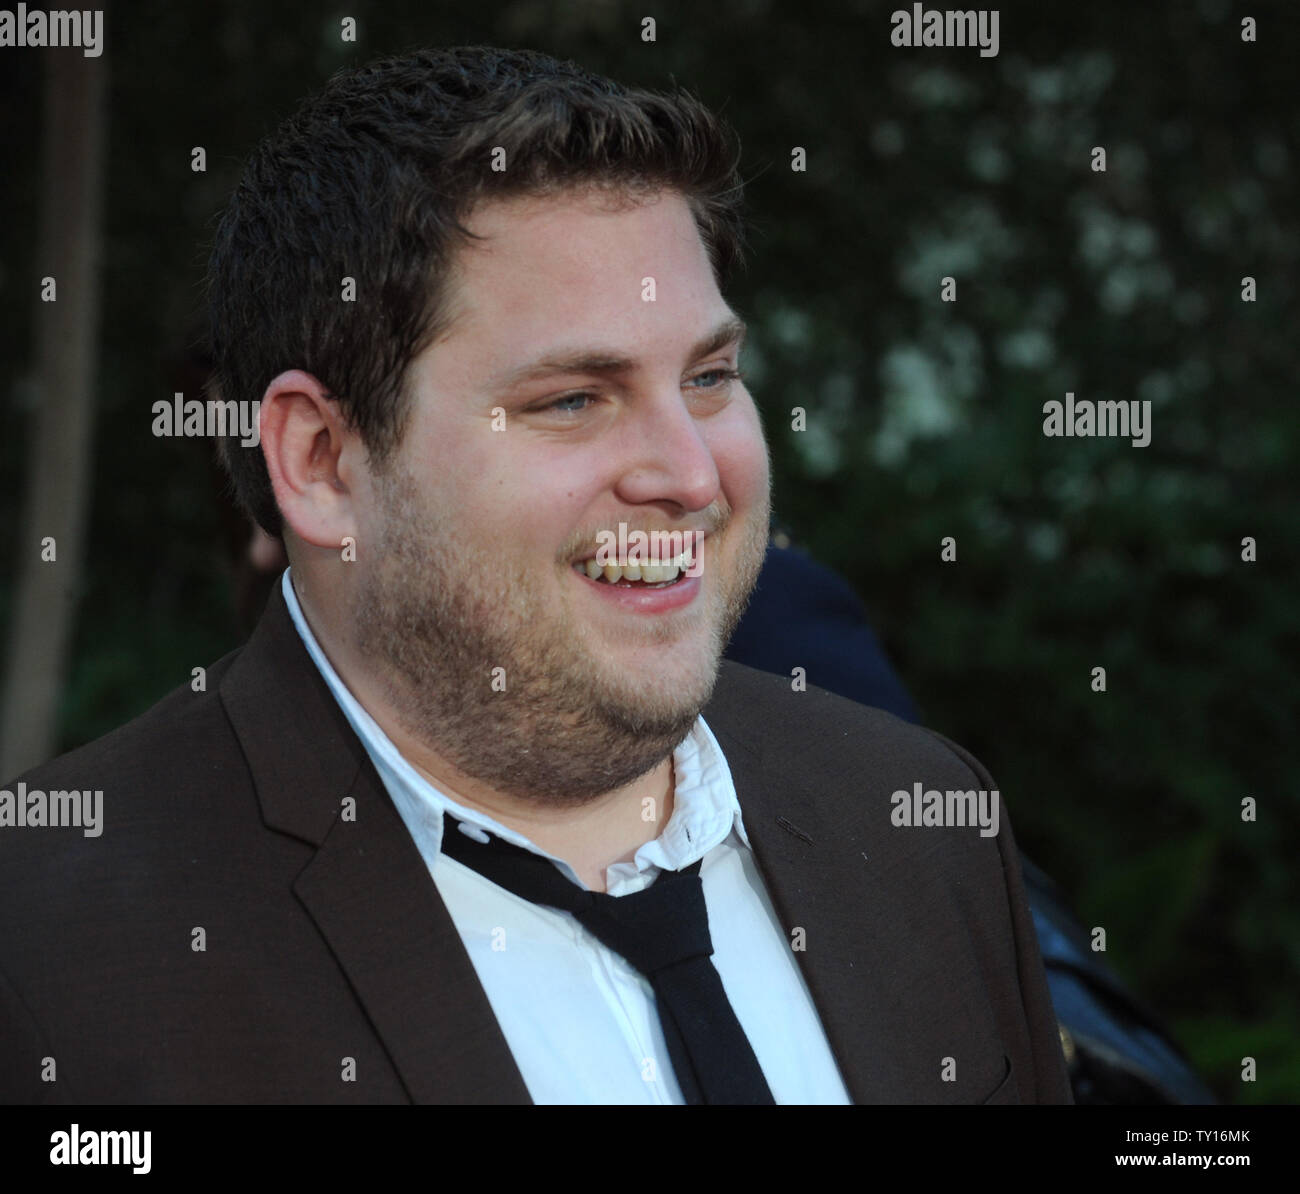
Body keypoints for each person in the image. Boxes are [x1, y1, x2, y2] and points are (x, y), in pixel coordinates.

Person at [0, 45, 1070, 1105]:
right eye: (573, 399)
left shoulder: (917, 821)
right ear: (321, 462)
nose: (691, 475)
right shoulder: (51, 952)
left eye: (707, 377)